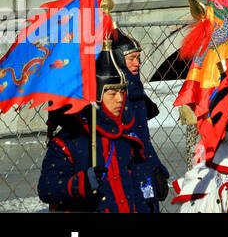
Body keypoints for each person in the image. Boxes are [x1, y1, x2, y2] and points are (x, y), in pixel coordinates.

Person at [38, 50, 149, 213]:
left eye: (122, 91)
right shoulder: (67, 142)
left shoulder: (124, 136)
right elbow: (47, 189)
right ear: (95, 97)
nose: (119, 99)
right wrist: (81, 183)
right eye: (112, 93)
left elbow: (134, 191)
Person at [113, 31, 169, 211]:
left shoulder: (136, 91)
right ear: (118, 59)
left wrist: (156, 167)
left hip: (143, 166)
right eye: (131, 58)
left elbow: (143, 140)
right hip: (126, 170)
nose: (137, 63)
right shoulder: (116, 97)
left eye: (138, 58)